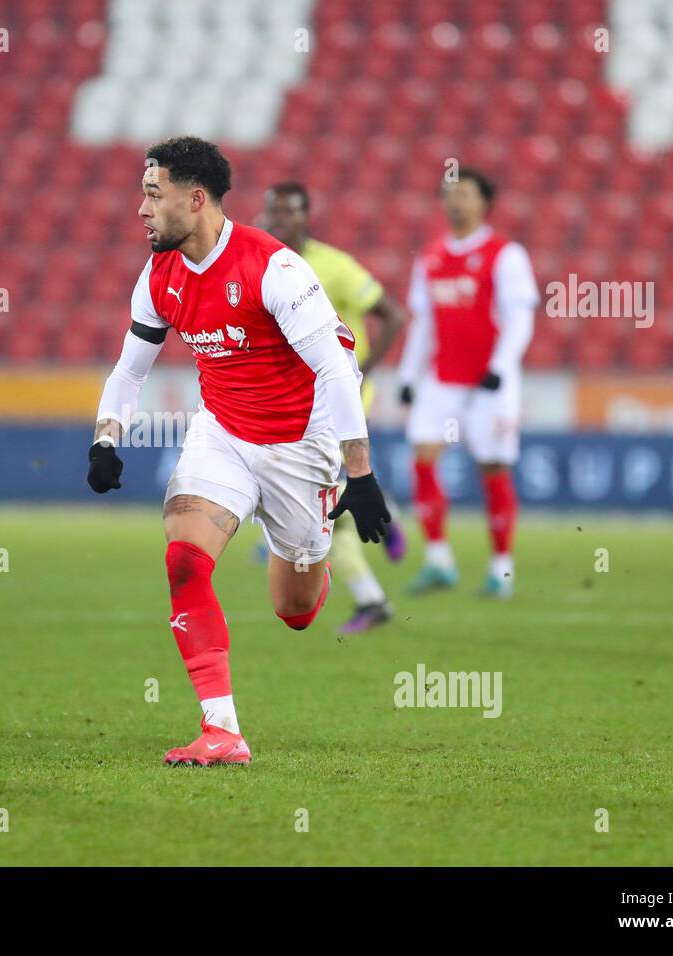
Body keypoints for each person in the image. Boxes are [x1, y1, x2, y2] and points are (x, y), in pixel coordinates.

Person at [87, 137, 392, 766]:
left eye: (153, 194)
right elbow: (129, 370)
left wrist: (359, 475)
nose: (141, 209)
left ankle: (313, 559)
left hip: (299, 447)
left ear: (194, 199)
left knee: (295, 610)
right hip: (220, 431)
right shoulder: (159, 274)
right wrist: (105, 440)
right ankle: (222, 730)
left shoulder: (273, 268)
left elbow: (337, 370)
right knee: (183, 562)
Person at [260, 181, 408, 634]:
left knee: (328, 510)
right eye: (273, 212)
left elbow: (394, 314)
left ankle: (371, 599)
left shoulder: (334, 266)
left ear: (306, 217)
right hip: (292, 404)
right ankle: (388, 517)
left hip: (336, 405)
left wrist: (363, 368)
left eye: (288, 212)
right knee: (329, 502)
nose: (278, 220)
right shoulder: (262, 265)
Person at [397, 168, 538, 599]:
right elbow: (423, 323)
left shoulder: (505, 254)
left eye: (465, 194)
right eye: (449, 194)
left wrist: (501, 364)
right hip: (443, 379)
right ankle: (439, 560)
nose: (455, 201)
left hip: (489, 383)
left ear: (484, 202)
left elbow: (520, 317)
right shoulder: (431, 256)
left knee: (492, 466)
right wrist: (407, 373)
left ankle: (502, 569)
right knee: (422, 456)